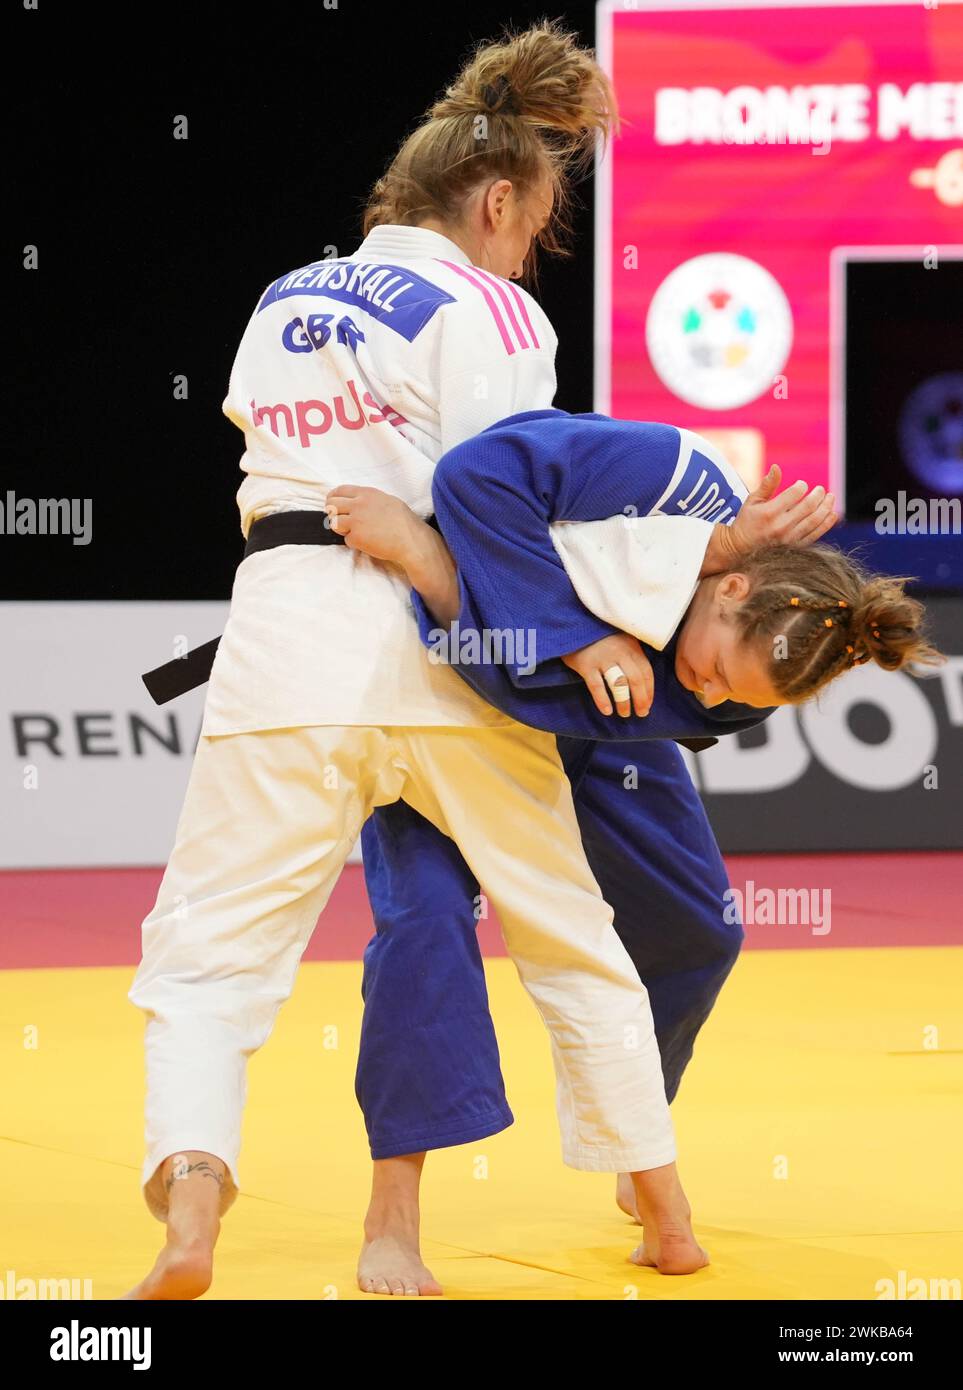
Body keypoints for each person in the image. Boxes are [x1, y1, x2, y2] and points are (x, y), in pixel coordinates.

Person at [123, 23, 719, 1302]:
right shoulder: (487, 305)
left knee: (207, 956)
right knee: (570, 938)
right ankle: (666, 1216)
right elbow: (495, 491)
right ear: (495, 198)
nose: (530, 257)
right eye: (532, 229)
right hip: (445, 644)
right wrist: (578, 630)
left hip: (283, 637)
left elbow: (270, 459)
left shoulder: (282, 294)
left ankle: (192, 1205)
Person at [327, 407, 940, 1295]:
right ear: (731, 590)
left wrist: (450, 578)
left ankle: (636, 1138)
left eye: (734, 694)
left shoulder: (744, 685)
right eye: (717, 667)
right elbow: (475, 477)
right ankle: (394, 1219)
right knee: (424, 926)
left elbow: (567, 705)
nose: (710, 689)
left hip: (589, 727)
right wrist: (618, 597)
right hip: (435, 704)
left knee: (696, 933)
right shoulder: (658, 469)